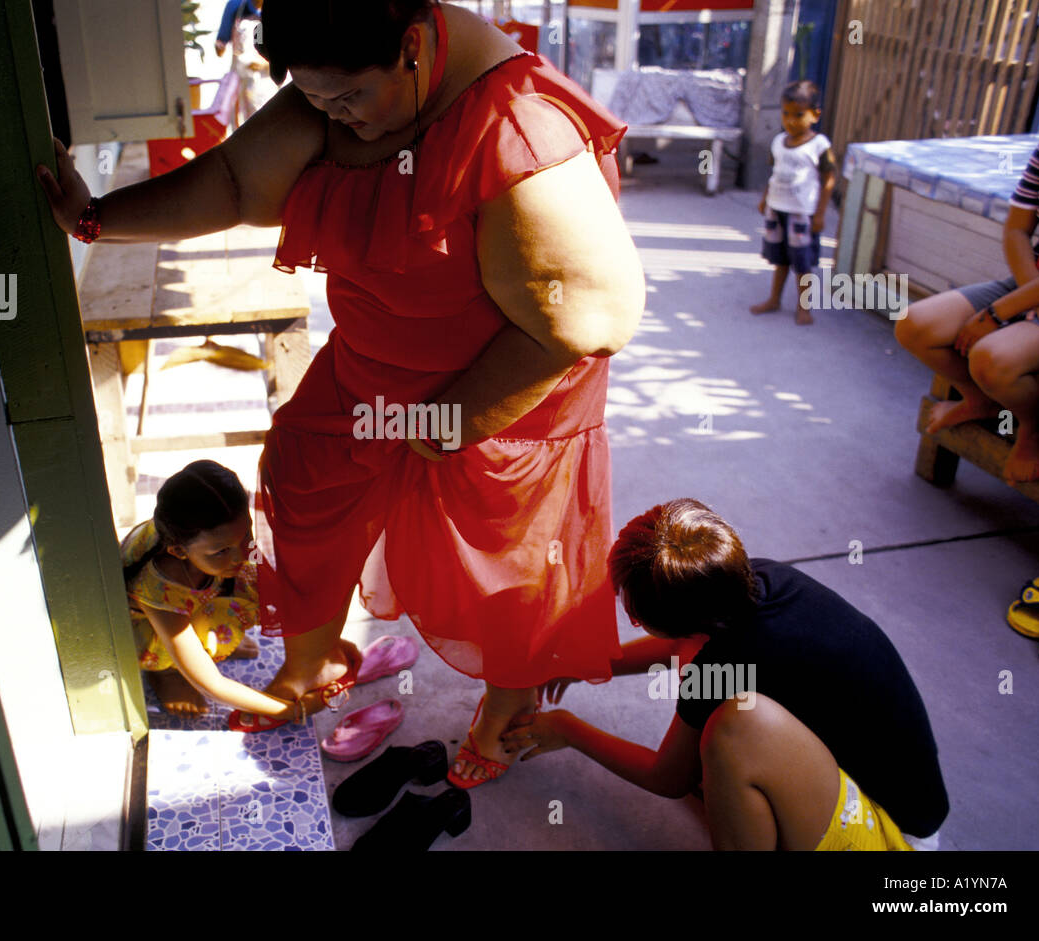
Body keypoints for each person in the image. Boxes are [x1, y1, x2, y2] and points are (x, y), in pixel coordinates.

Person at [37, 1, 644, 787]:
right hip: (372, 368)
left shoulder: (517, 125)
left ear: (414, 46)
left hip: (509, 399)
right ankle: (305, 666)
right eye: (314, 102)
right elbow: (230, 181)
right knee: (302, 490)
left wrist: (447, 421)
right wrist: (92, 219)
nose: (331, 117)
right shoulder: (344, 79)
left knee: (510, 568)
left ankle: (501, 717)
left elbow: (593, 315)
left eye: (346, 99)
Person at [502, 499, 950, 850]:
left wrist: (569, 730)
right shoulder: (755, 580)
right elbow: (686, 636)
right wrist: (594, 662)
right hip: (897, 798)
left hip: (889, 839)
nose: (630, 620)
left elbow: (667, 778)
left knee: (733, 729)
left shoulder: (725, 662)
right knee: (721, 707)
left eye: (632, 612)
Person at [121, 460, 349, 728]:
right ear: (179, 552)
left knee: (260, 586)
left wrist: (320, 643)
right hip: (146, 629)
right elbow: (210, 684)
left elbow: (280, 590)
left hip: (192, 590)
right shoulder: (157, 586)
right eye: (221, 551)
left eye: (246, 534)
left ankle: (194, 642)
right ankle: (170, 673)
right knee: (221, 628)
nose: (242, 554)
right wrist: (288, 710)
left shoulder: (197, 539)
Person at [894, 124, 1039, 483]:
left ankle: (1035, 427)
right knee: (915, 326)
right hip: (1031, 281)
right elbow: (1016, 230)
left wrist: (1001, 311)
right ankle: (979, 400)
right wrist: (1031, 294)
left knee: (991, 359)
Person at [749, 79, 836, 325]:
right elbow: (774, 173)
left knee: (802, 263)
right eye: (785, 114)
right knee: (780, 259)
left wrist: (819, 214)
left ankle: (803, 307)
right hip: (778, 210)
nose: (790, 120)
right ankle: (774, 299)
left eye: (798, 115)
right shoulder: (778, 142)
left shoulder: (820, 146)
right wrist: (766, 199)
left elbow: (829, 179)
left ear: (815, 115)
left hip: (802, 214)